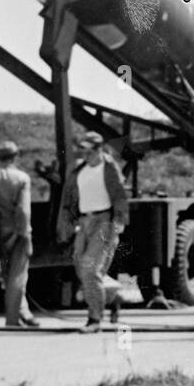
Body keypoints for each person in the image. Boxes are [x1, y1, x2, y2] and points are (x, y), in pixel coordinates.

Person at [58, 132, 129, 333]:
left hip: (104, 222)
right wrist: (68, 223)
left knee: (91, 269)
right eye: (82, 149)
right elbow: (70, 197)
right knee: (82, 268)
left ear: (99, 149)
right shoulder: (79, 170)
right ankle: (113, 298)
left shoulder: (109, 167)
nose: (85, 154)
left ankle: (94, 320)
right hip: (84, 221)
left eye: (89, 150)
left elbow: (119, 196)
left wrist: (119, 222)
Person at [0, 140, 38, 328]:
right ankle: (12, 319)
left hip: (1, 230)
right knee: (18, 276)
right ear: (15, 156)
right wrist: (26, 234)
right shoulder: (22, 178)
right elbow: (23, 210)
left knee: (7, 275)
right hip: (18, 231)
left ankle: (22, 313)